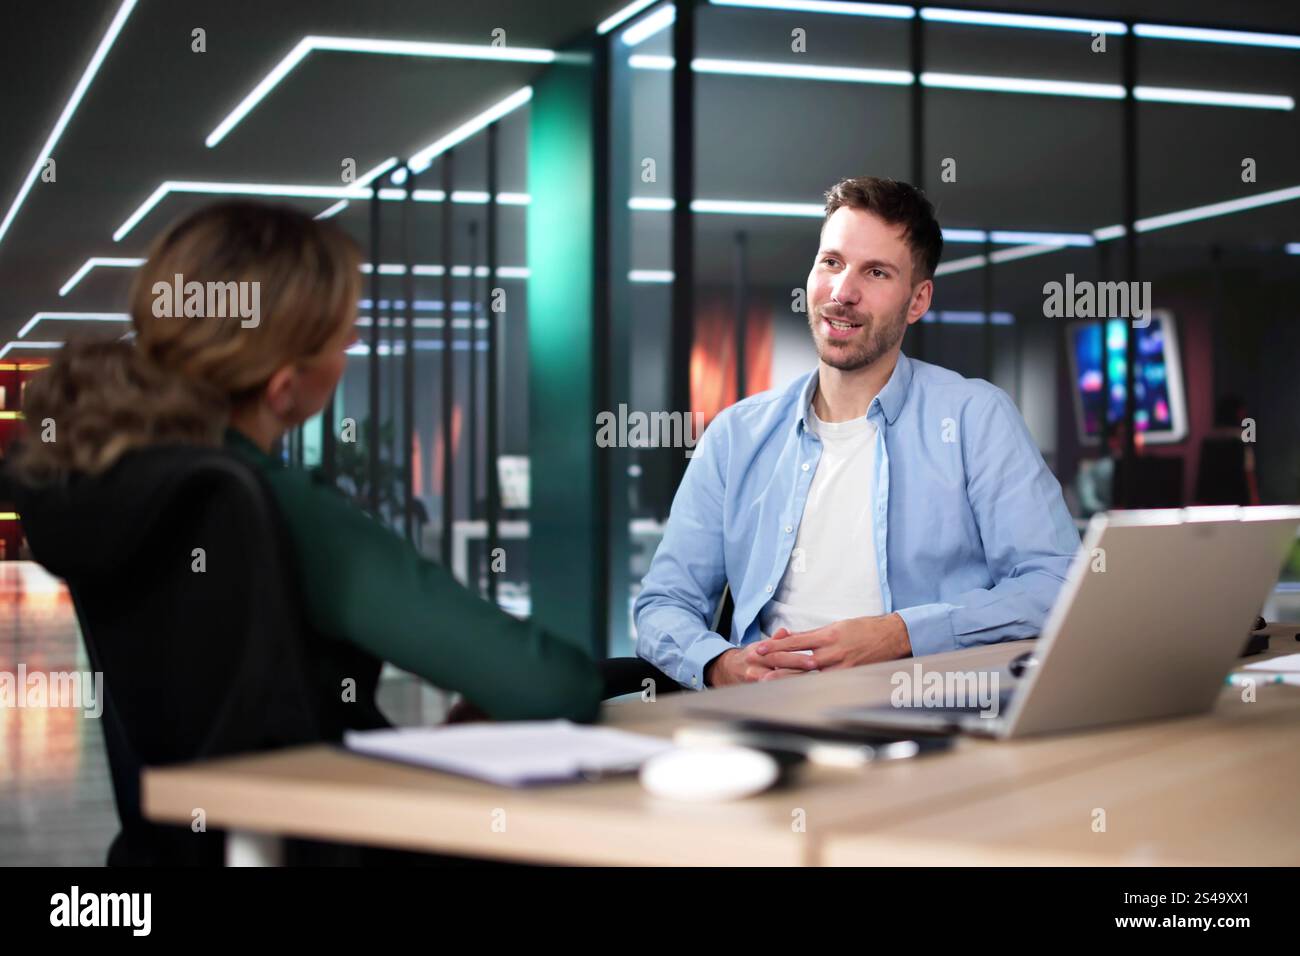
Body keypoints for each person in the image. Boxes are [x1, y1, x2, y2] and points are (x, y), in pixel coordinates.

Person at [10, 201, 603, 723]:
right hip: (324, 837)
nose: (349, 351)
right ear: (285, 385)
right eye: (344, 339)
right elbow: (552, 685)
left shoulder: (112, 475)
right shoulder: (264, 503)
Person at [634, 176, 1080, 689]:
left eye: (876, 272)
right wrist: (721, 666)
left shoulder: (975, 417)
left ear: (917, 301)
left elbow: (1057, 583)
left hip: (916, 705)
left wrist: (898, 634)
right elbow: (664, 603)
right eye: (832, 262)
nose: (843, 292)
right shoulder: (736, 435)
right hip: (763, 708)